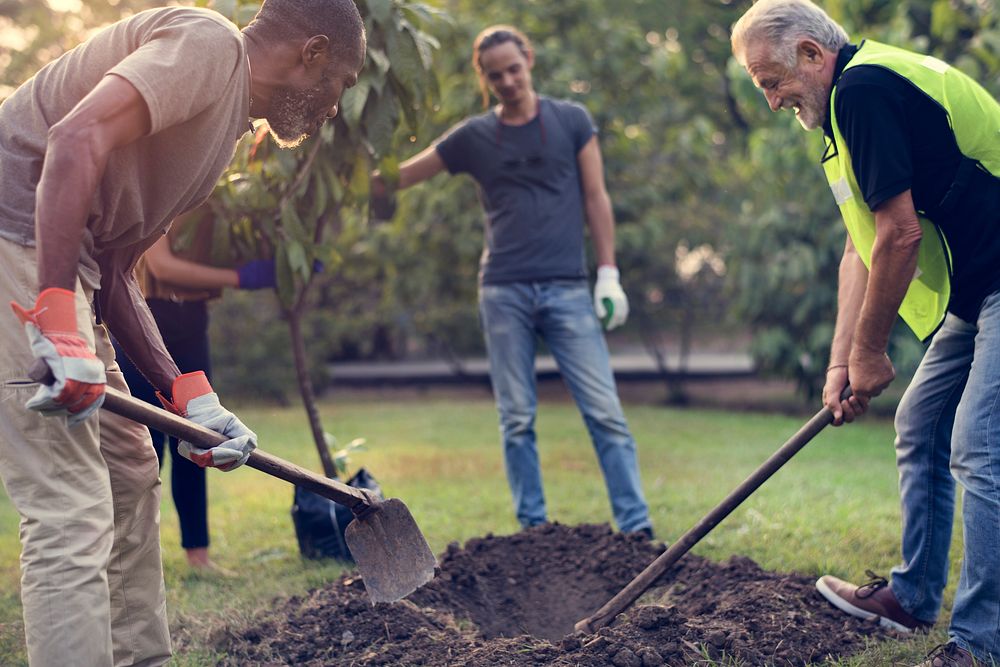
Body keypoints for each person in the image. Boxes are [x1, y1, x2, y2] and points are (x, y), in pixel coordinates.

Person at [0, 0, 365, 664]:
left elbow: (116, 269)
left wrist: (192, 398)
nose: (337, 104)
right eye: (342, 80)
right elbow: (74, 138)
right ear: (311, 53)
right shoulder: (208, 46)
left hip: (68, 265)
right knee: (70, 501)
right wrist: (55, 319)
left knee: (130, 473)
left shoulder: (220, 135)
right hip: (13, 235)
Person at [731, 2, 1000, 665]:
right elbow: (863, 246)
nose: (770, 101)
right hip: (980, 284)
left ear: (812, 55)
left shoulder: (865, 90)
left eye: (771, 80)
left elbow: (900, 235)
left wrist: (872, 348)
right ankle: (910, 599)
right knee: (921, 424)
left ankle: (981, 640)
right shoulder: (843, 117)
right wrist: (841, 363)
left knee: (978, 444)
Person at [371, 25, 653, 537]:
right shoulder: (475, 136)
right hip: (503, 292)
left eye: (513, 69)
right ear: (484, 78)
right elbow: (399, 177)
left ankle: (637, 531)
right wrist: (351, 165)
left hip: (568, 287)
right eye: (495, 75)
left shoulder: (572, 121)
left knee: (605, 413)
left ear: (529, 60)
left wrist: (608, 274)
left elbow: (596, 198)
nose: (507, 81)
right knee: (517, 418)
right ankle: (533, 532)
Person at [111, 209, 282, 573]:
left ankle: (198, 557)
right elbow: (162, 267)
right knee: (145, 446)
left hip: (191, 323)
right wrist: (243, 277)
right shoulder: (163, 190)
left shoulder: (219, 205)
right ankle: (135, 559)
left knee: (199, 438)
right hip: (143, 321)